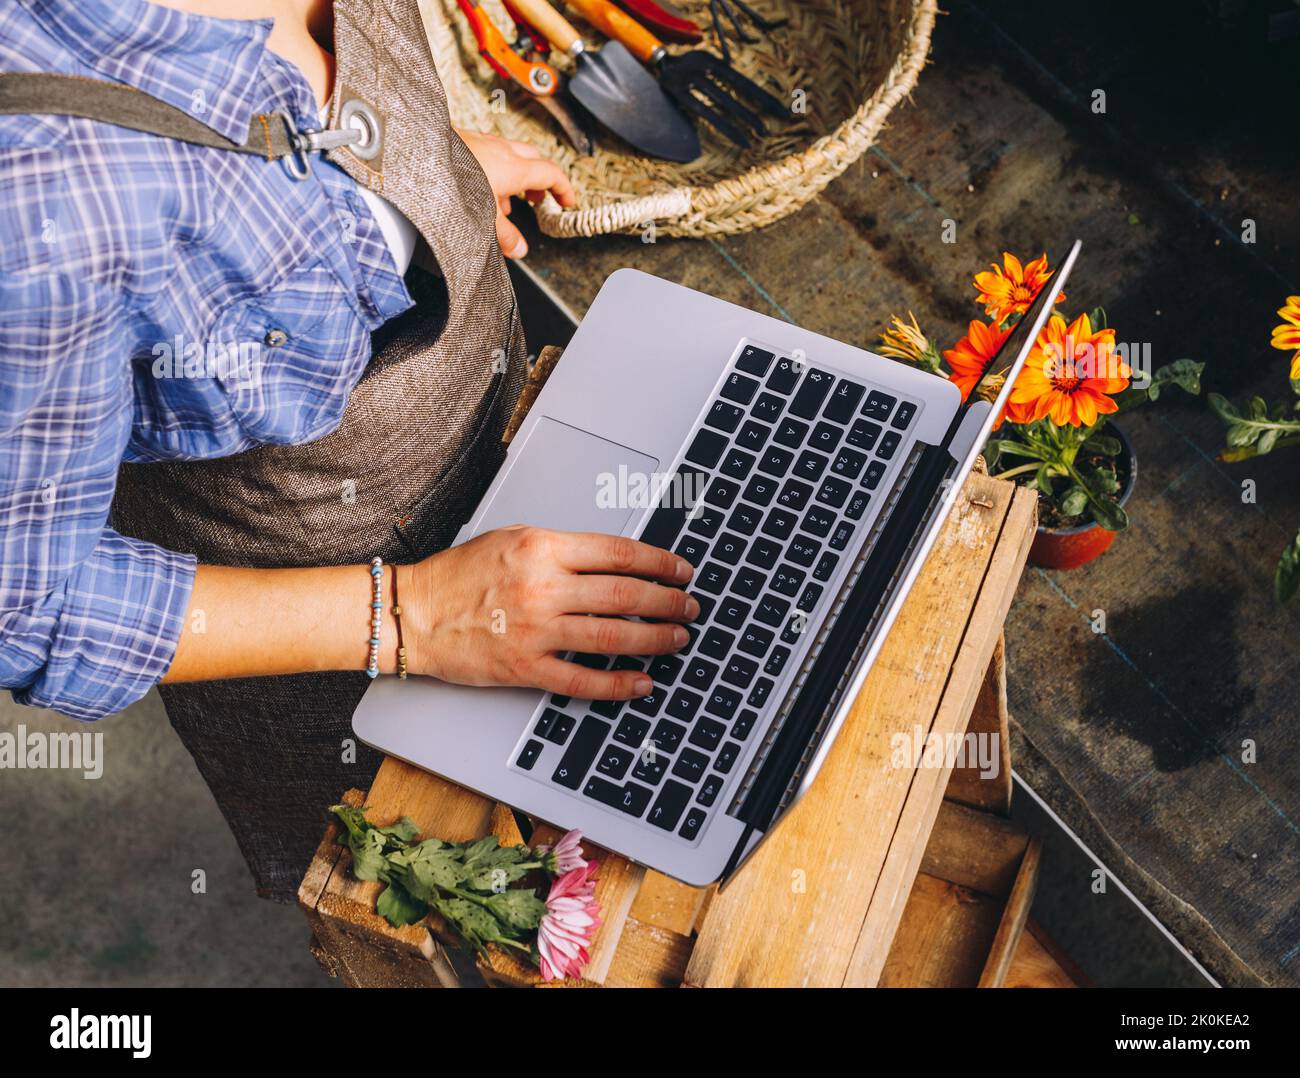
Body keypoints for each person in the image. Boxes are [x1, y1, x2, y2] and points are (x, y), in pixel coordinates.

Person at [0, 0, 697, 899]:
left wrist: (401, 191)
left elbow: (301, 122)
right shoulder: (38, 205)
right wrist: (409, 618)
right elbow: (26, 607)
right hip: (337, 617)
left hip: (507, 423)